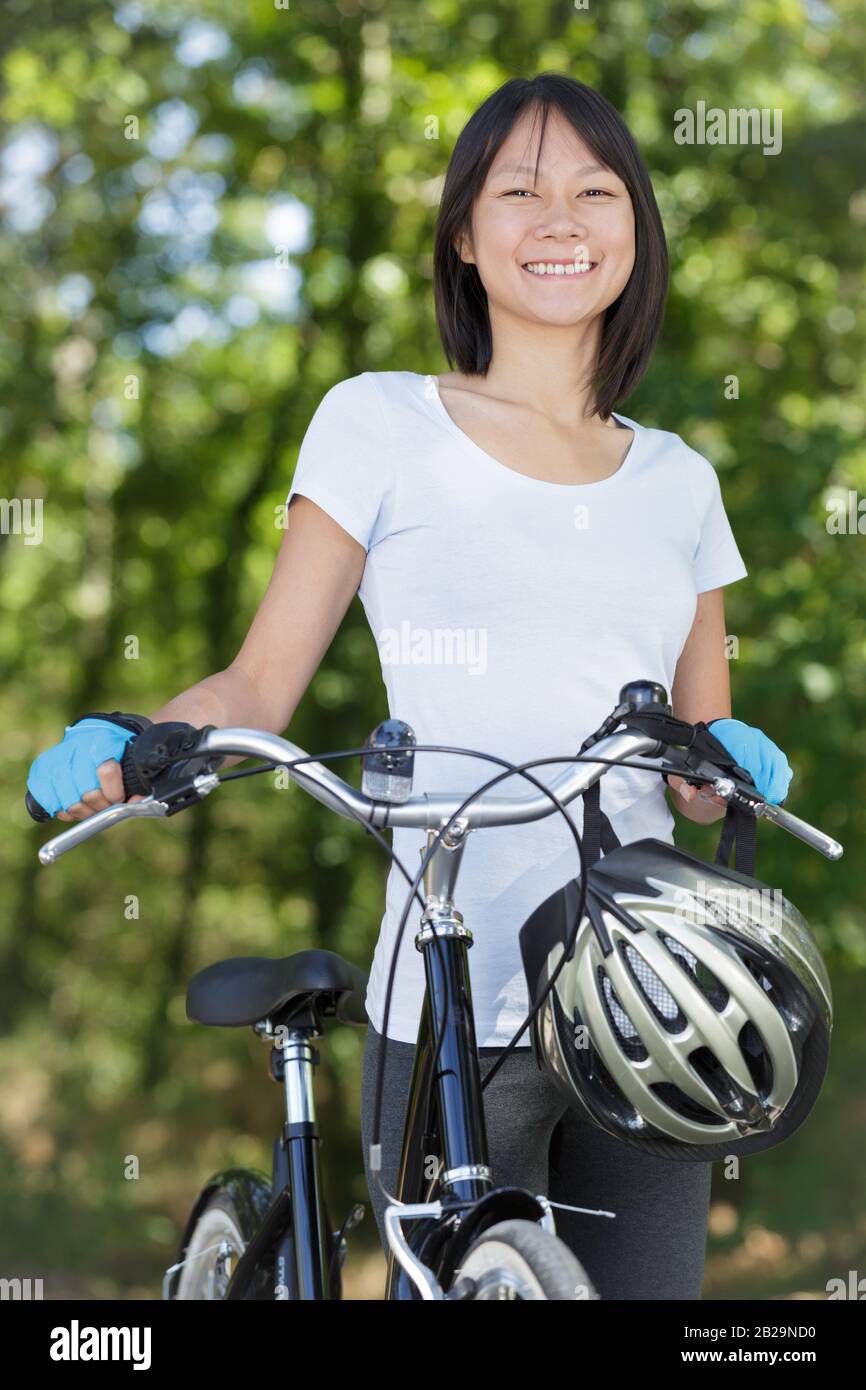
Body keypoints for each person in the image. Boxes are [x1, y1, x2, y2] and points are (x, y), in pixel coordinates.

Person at [28, 73, 792, 1300]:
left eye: (595, 190)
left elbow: (693, 768)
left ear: (635, 232)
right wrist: (135, 738)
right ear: (463, 238)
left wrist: (726, 757)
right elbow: (262, 681)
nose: (560, 217)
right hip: (446, 974)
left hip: (642, 996)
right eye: (519, 189)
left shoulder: (678, 481)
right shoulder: (378, 423)